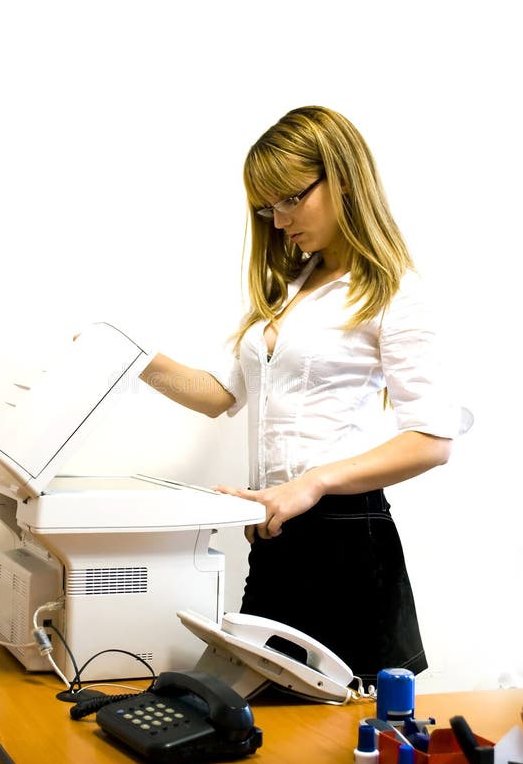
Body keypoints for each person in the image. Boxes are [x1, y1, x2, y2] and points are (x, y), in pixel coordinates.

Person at [139, 105, 470, 688]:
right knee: (247, 711)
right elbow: (218, 394)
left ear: (342, 178)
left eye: (291, 198)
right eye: (268, 207)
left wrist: (310, 483)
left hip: (347, 539)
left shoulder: (394, 292)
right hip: (276, 534)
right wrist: (131, 358)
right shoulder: (288, 288)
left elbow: (432, 440)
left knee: (340, 727)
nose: (279, 219)